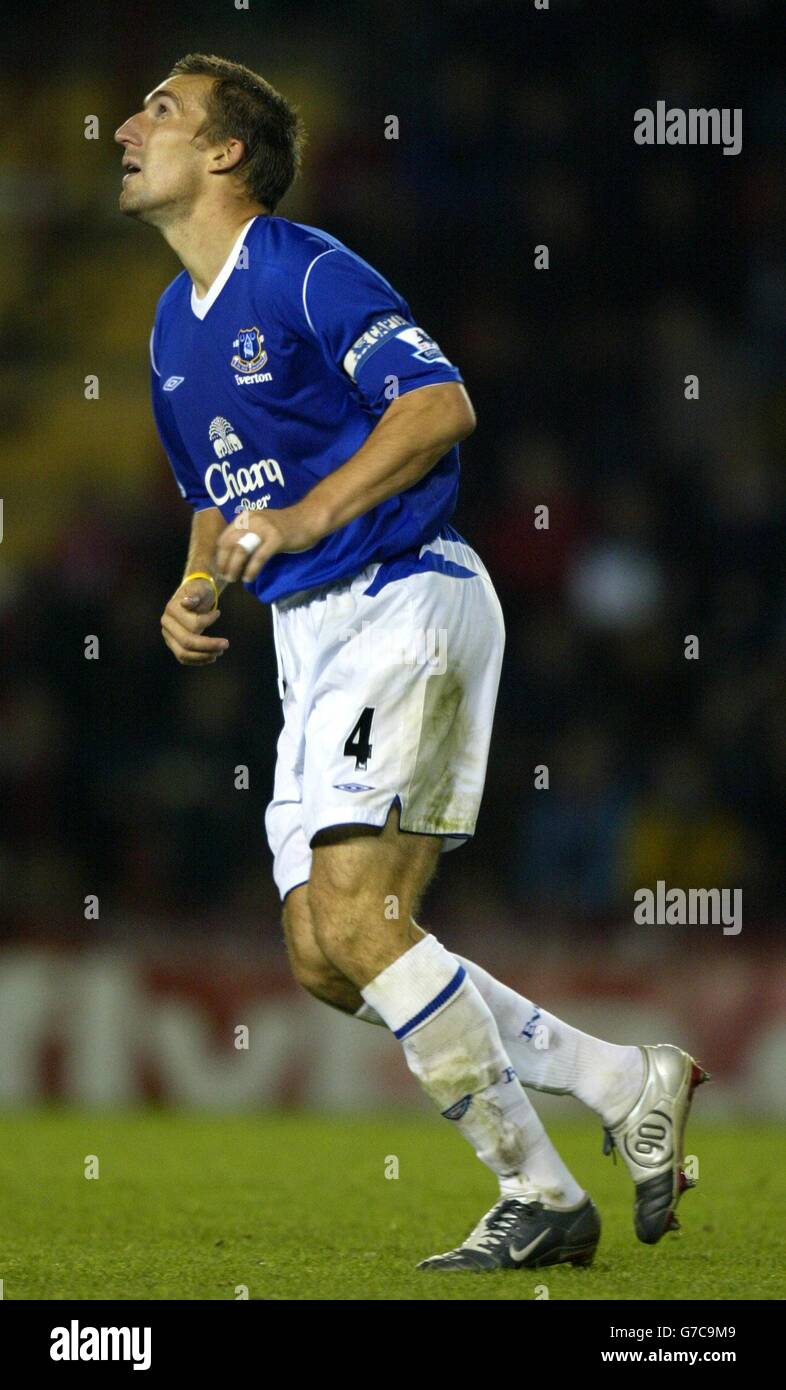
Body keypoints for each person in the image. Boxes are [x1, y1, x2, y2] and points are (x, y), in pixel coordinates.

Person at [116, 53, 706, 1272]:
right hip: (306, 637)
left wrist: (313, 515)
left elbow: (437, 403)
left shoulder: (304, 267)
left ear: (226, 154)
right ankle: (620, 1075)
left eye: (160, 111)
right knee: (328, 957)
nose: (125, 126)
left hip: (401, 596)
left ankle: (538, 1192)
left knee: (360, 914)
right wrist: (192, 582)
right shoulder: (176, 325)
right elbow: (213, 498)